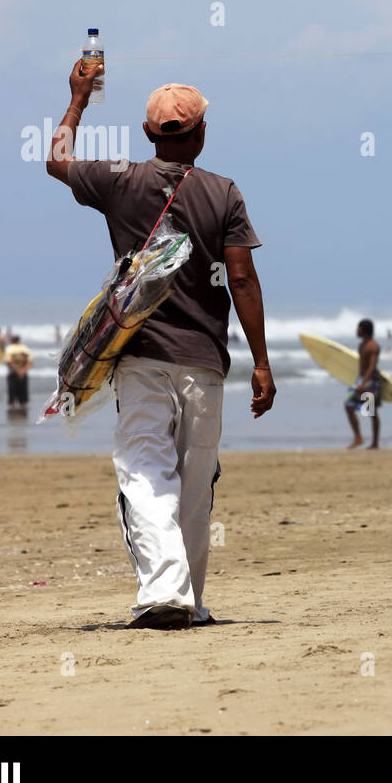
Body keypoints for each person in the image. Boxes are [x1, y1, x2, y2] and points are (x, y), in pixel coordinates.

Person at [47, 60, 275, 631]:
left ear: (149, 134)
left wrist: (77, 99)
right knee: (196, 485)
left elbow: (55, 160)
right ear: (201, 133)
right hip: (205, 363)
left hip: (140, 356)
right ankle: (182, 597)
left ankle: (171, 595)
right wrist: (263, 363)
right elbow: (242, 280)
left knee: (145, 473)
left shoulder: (120, 180)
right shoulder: (224, 193)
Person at [344, 319, 382, 449]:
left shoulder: (373, 346)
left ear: (363, 329)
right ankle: (358, 437)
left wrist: (364, 383)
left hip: (370, 382)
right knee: (349, 406)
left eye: (358, 328)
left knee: (371, 412)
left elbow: (371, 367)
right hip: (361, 380)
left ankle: (375, 443)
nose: (356, 330)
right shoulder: (361, 345)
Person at [5, 334, 33, 410]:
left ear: (12, 341)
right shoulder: (25, 348)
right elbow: (30, 362)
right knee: (23, 393)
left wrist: (18, 371)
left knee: (12, 393)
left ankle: (12, 408)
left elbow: (9, 362)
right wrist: (23, 371)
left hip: (13, 373)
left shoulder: (9, 348)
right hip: (23, 373)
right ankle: (23, 409)